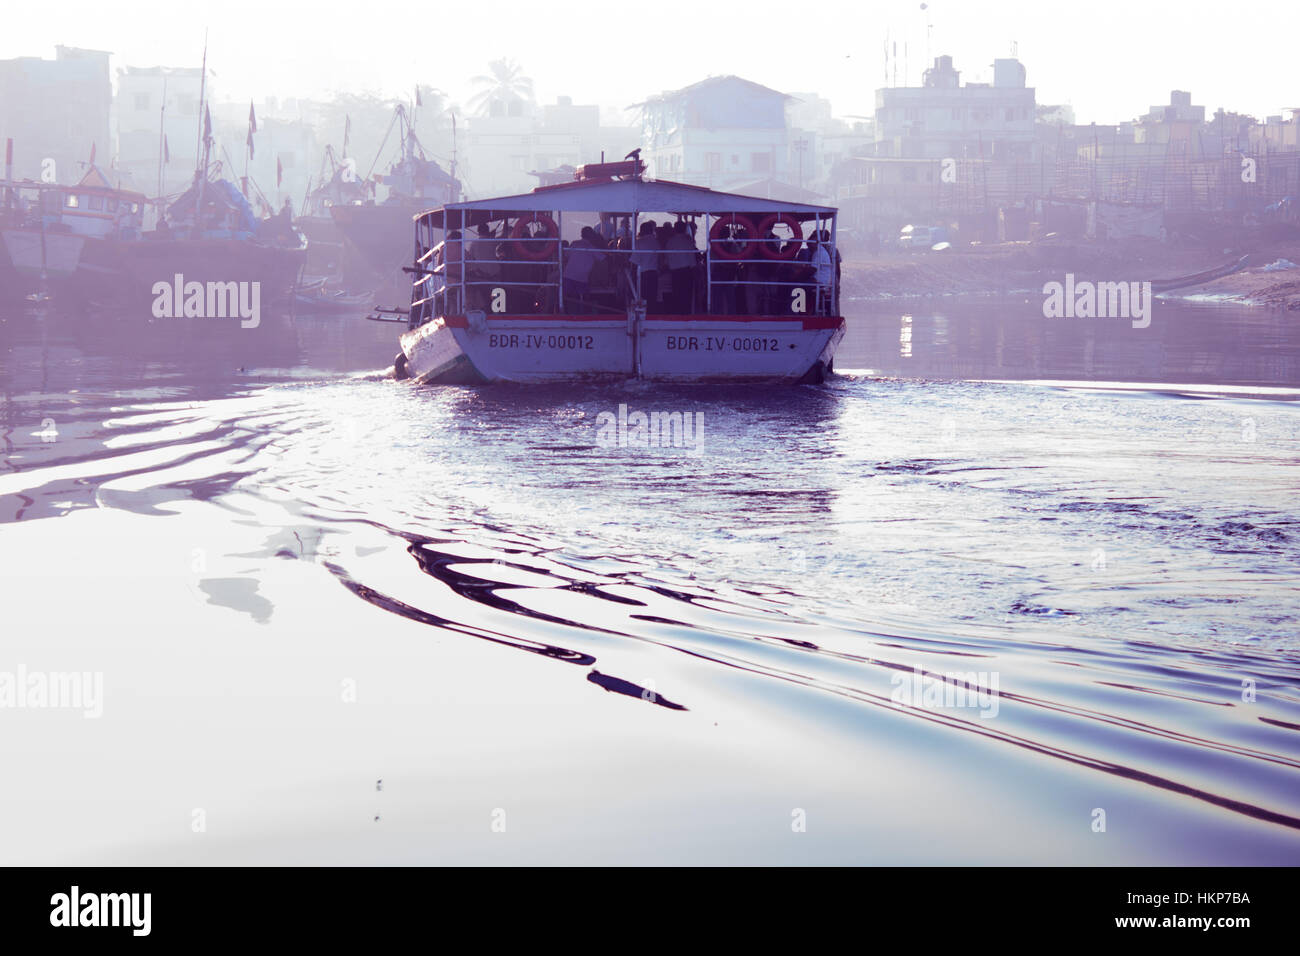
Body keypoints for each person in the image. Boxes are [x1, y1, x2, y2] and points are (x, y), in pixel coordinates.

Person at [663, 220, 697, 313]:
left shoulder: (670, 242)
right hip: (686, 272)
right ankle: (686, 313)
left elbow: (666, 260)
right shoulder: (688, 241)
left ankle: (677, 313)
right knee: (687, 295)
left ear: (675, 229)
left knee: (676, 294)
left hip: (675, 273)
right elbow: (692, 260)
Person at [563, 227, 599, 310]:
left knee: (567, 297)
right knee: (584, 298)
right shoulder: (592, 248)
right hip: (582, 279)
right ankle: (583, 312)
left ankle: (566, 312)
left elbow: (566, 256)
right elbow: (603, 259)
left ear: (581, 235)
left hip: (568, 276)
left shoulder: (574, 244)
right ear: (592, 236)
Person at [468, 222, 500, 310]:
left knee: (483, 297)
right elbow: (504, 236)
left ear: (478, 232)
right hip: (494, 274)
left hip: (480, 275)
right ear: (488, 231)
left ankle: (484, 310)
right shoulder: (492, 241)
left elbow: (470, 259)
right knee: (496, 294)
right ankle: (498, 312)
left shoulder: (473, 244)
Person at [631, 220, 660, 312]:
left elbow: (634, 261)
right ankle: (652, 316)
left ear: (642, 231)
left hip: (643, 274)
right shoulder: (657, 243)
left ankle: (643, 314)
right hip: (654, 274)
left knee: (642, 297)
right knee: (652, 298)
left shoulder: (639, 243)